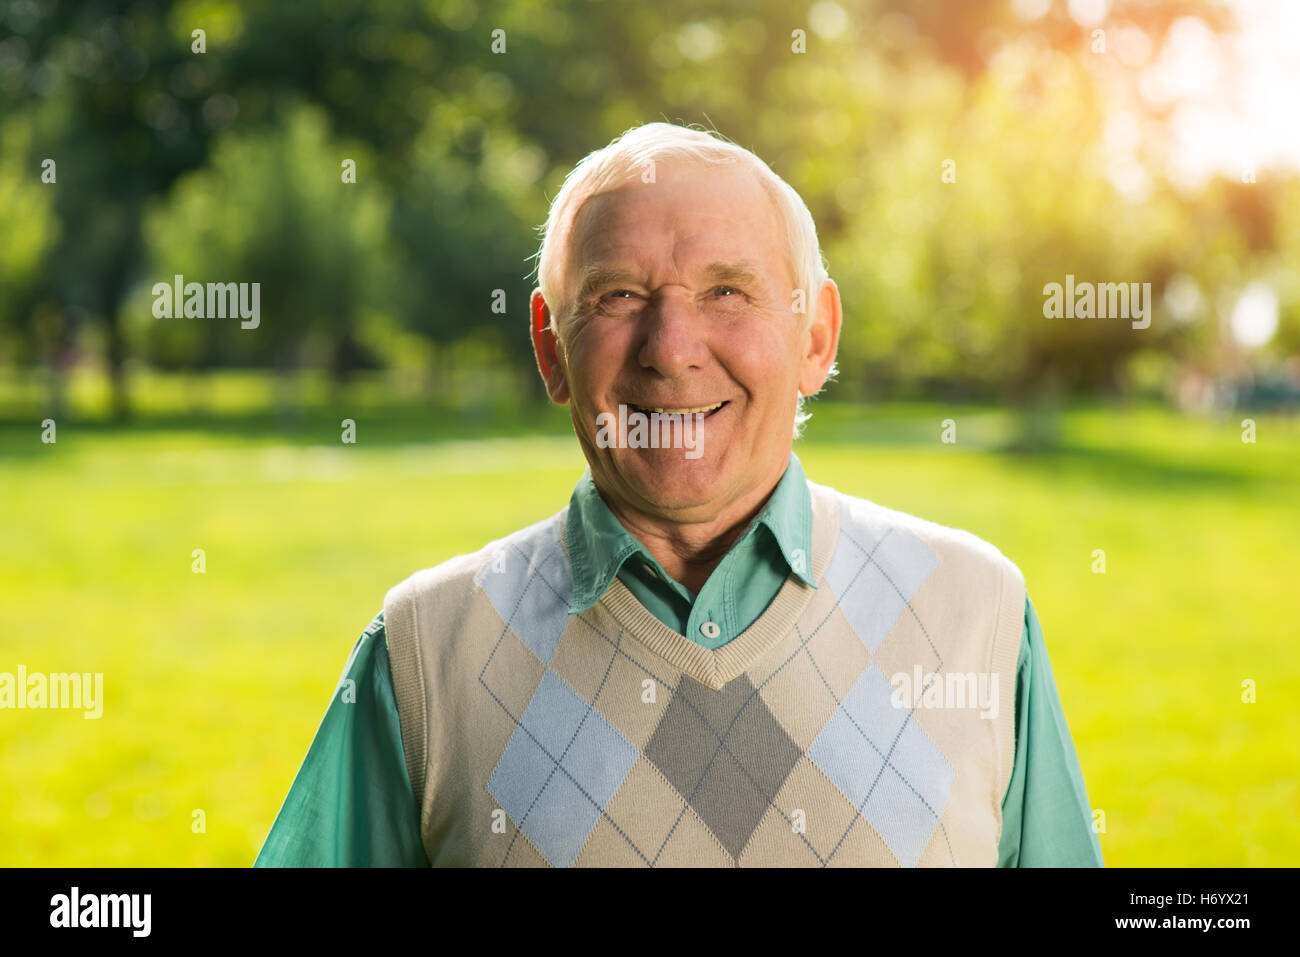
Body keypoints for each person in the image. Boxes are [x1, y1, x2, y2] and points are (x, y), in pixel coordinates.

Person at [255, 122, 1103, 868]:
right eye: (618, 295)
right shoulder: (422, 650)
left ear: (816, 336)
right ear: (550, 349)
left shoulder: (977, 609)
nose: (670, 348)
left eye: (725, 292)